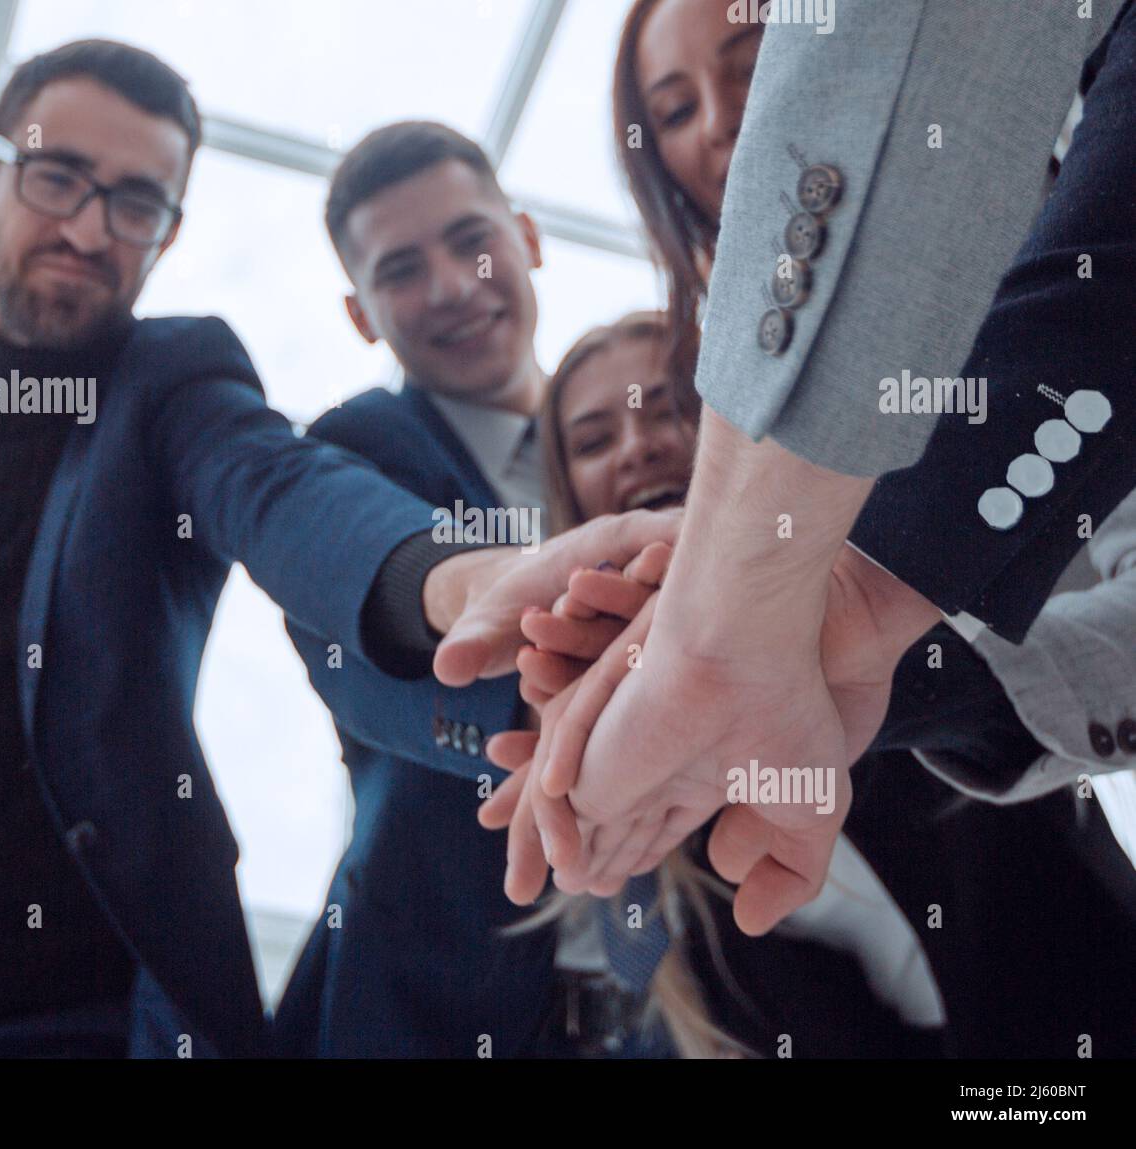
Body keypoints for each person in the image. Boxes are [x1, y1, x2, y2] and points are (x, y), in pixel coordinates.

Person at [0, 39, 677, 1059]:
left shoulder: (171, 383)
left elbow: (281, 494)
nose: (89, 228)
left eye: (137, 202)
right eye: (58, 177)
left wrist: (456, 582)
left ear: (168, 232)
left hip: (111, 1003)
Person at [448, 0, 1136, 934]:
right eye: (676, 108)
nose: (726, 117)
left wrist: (748, 611)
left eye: (751, 61)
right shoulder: (747, 435)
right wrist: (814, 610)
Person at [493, 307, 1136, 1057]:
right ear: (570, 496)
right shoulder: (645, 850)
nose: (639, 445)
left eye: (676, 405)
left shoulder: (913, 573)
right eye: (595, 439)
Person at [270, 121, 560, 1058]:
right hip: (432, 1007)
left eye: (473, 241)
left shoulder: (658, 431)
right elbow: (390, 680)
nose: (449, 287)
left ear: (527, 238)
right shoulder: (354, 467)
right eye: (400, 269)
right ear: (362, 314)